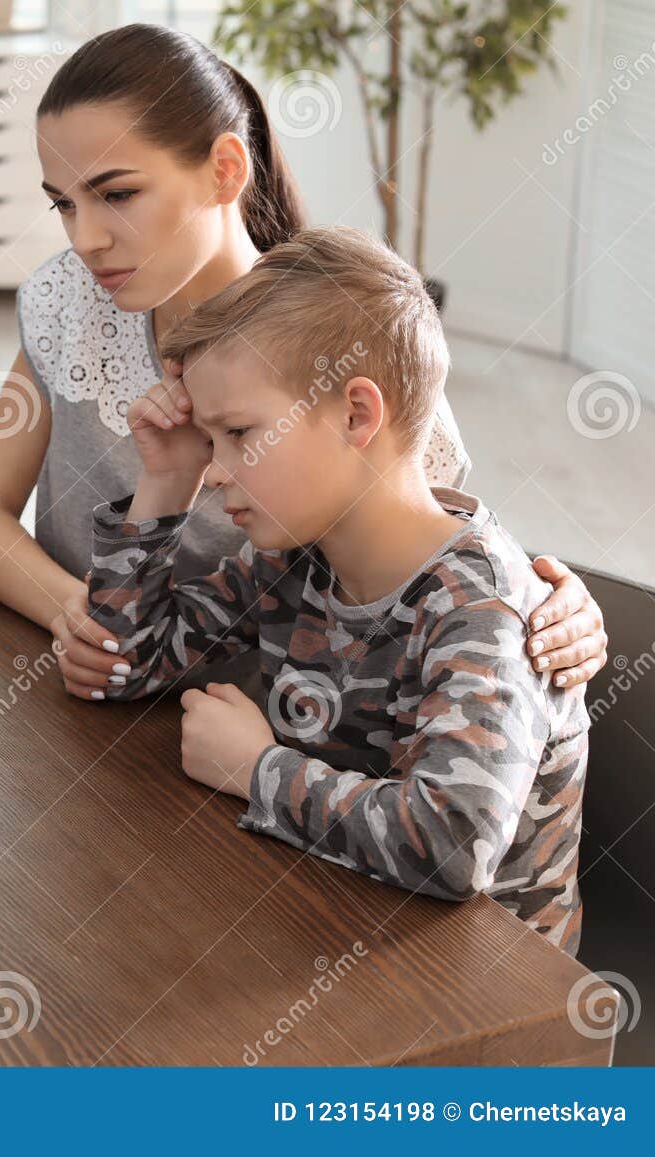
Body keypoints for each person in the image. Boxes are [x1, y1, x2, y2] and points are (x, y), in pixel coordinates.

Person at [0, 23, 608, 702]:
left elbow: (427, 555)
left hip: (269, 741)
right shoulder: (70, 302)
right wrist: (73, 613)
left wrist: (541, 602)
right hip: (95, 701)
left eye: (117, 195)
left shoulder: (344, 334)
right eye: (64, 204)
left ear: (226, 169)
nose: (85, 238)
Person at [87, 227, 588, 953]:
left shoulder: (483, 609)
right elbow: (122, 661)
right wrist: (164, 482)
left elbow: (454, 846)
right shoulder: (298, 556)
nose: (216, 471)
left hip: (483, 1007)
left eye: (239, 434)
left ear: (357, 415)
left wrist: (258, 772)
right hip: (333, 919)